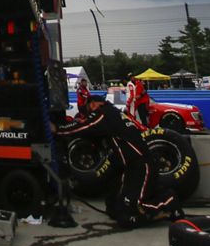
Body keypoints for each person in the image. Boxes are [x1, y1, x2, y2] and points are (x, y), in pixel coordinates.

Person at [56, 96, 174, 227]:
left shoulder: (104, 113)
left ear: (94, 104)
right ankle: (152, 205)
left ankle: (168, 202)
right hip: (132, 164)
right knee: (114, 207)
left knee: (129, 212)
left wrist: (58, 129)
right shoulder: (116, 113)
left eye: (88, 107)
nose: (89, 112)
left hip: (141, 164)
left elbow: (86, 126)